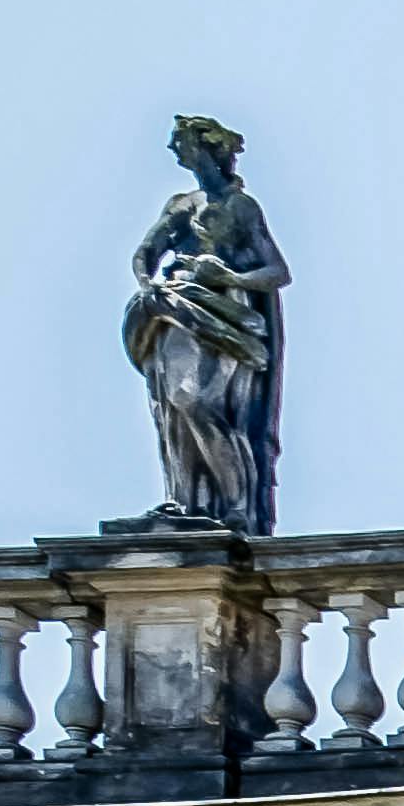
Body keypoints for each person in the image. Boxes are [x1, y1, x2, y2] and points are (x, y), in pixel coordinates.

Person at [123, 115, 286, 533]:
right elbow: (146, 252)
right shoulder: (181, 205)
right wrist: (149, 288)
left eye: (181, 142)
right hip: (175, 310)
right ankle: (187, 502)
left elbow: (276, 271)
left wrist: (229, 278)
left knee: (198, 403)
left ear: (207, 148)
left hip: (225, 315)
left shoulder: (241, 207)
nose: (174, 149)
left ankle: (235, 506)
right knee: (175, 411)